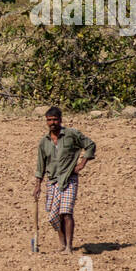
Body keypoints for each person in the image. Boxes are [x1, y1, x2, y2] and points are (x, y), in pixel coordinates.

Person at [32, 107, 96, 253]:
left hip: (69, 179)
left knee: (66, 212)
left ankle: (69, 246)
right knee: (53, 216)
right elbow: (40, 166)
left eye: (55, 119)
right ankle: (62, 243)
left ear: (60, 120)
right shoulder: (44, 142)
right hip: (53, 181)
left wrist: (81, 164)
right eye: (49, 120)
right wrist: (37, 186)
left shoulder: (71, 135)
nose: (52, 123)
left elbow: (90, 145)